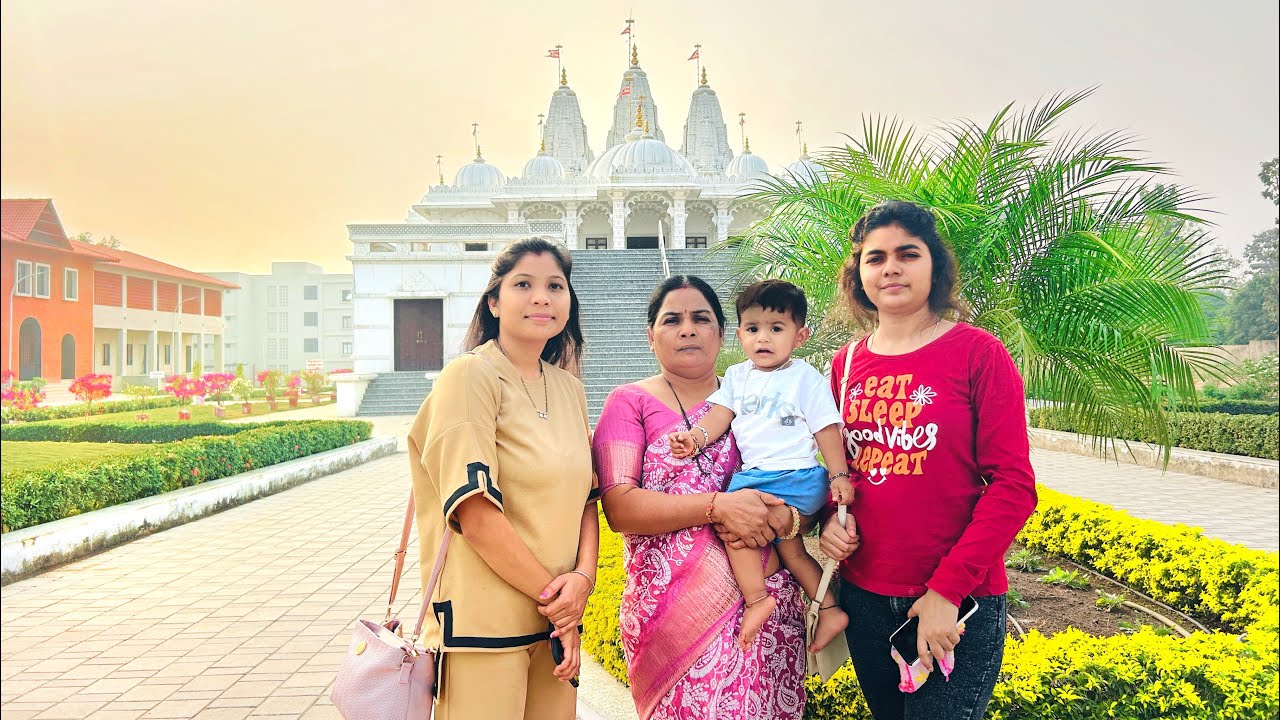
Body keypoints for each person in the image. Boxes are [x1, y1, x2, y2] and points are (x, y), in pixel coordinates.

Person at [818, 201, 1038, 719]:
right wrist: (830, 520)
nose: (890, 267)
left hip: (956, 603)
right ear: (859, 276)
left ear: (934, 265)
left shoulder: (977, 353)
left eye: (907, 254)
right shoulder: (846, 364)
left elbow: (1013, 484)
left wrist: (947, 589)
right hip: (865, 597)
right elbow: (838, 469)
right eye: (875, 258)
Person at [593, 276, 808, 720]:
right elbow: (620, 508)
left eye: (701, 319)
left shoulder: (764, 393)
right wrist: (718, 505)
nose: (687, 329)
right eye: (672, 320)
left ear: (723, 334)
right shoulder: (628, 402)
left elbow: (808, 479)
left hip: (767, 609)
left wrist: (791, 521)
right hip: (671, 619)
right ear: (651, 336)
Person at [407, 237, 599, 719]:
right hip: (484, 627)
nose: (542, 297)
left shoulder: (568, 389)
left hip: (555, 628)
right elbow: (474, 514)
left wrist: (583, 580)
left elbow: (586, 501)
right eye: (523, 285)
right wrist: (560, 604)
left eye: (556, 285)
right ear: (494, 302)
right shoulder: (470, 376)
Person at [668, 279, 852, 651]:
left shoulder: (804, 378)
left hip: (797, 477)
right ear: (739, 334)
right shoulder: (738, 377)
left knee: (733, 530)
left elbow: (826, 428)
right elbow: (720, 415)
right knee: (791, 549)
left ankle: (757, 600)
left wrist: (839, 475)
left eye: (776, 329)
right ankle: (829, 607)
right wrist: (696, 438)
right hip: (757, 478)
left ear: (800, 336)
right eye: (753, 329)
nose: (762, 338)